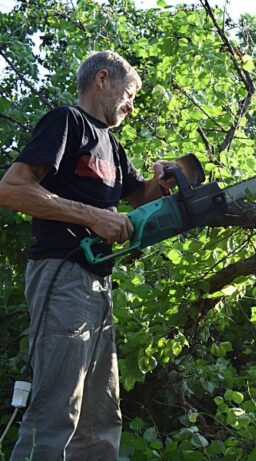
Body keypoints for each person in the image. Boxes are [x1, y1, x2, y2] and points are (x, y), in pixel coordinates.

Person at [0, 51, 175, 459]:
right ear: (102, 79)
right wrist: (93, 216)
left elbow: (140, 196)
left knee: (100, 417)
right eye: (129, 94)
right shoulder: (67, 122)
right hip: (61, 274)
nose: (131, 106)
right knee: (56, 410)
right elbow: (11, 189)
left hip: (98, 286)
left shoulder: (113, 146)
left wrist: (164, 180)